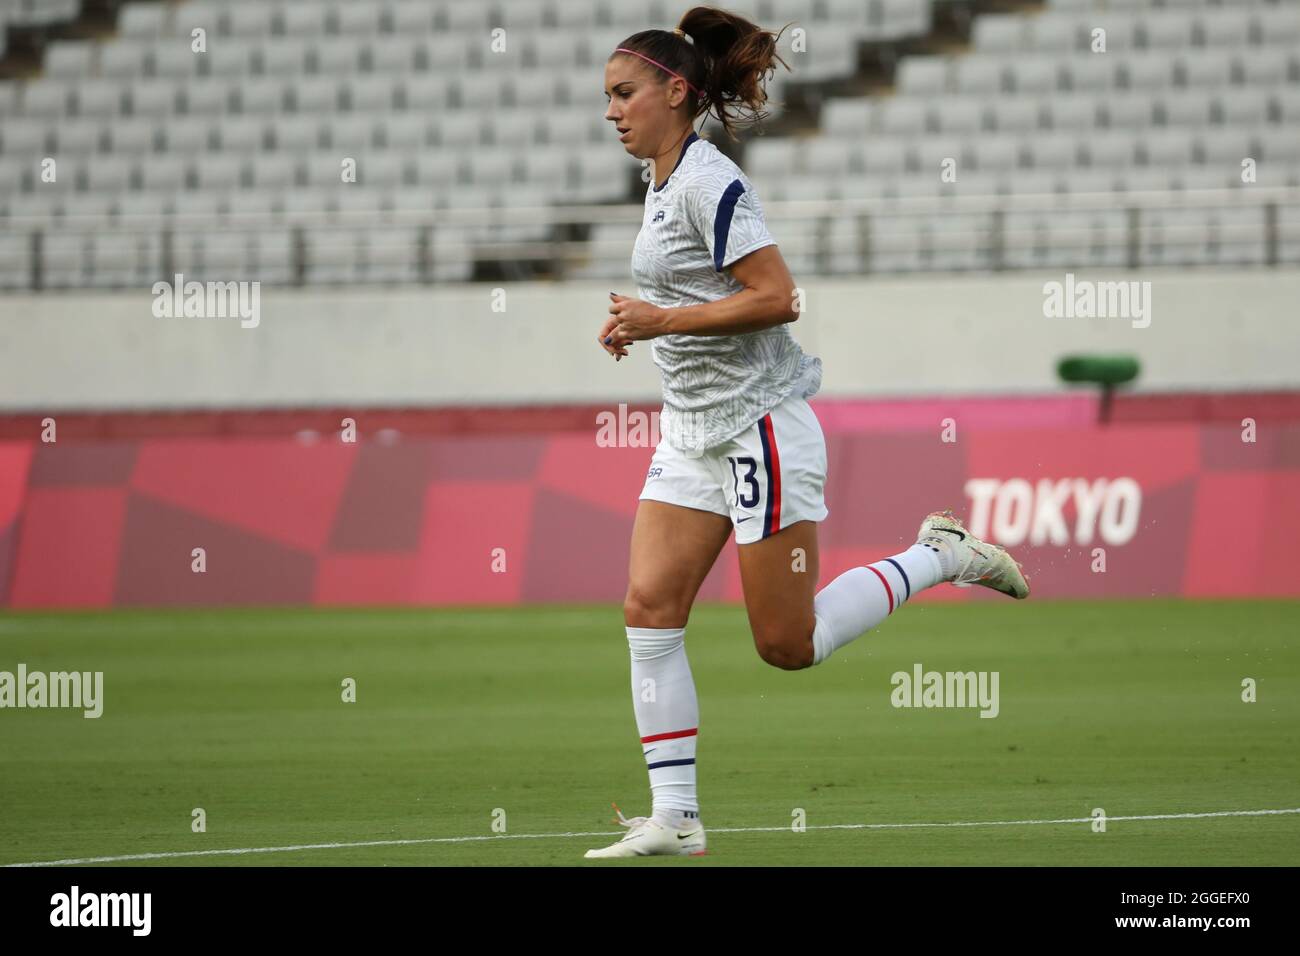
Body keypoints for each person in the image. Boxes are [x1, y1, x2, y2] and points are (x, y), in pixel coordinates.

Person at [587, 6, 1029, 859]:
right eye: (607, 97)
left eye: (623, 94)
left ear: (675, 92)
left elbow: (778, 297)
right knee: (649, 609)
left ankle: (938, 554)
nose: (611, 111)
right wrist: (636, 325)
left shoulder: (710, 179)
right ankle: (675, 817)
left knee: (786, 646)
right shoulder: (662, 177)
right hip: (693, 432)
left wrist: (662, 320)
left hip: (760, 427)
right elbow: (692, 297)